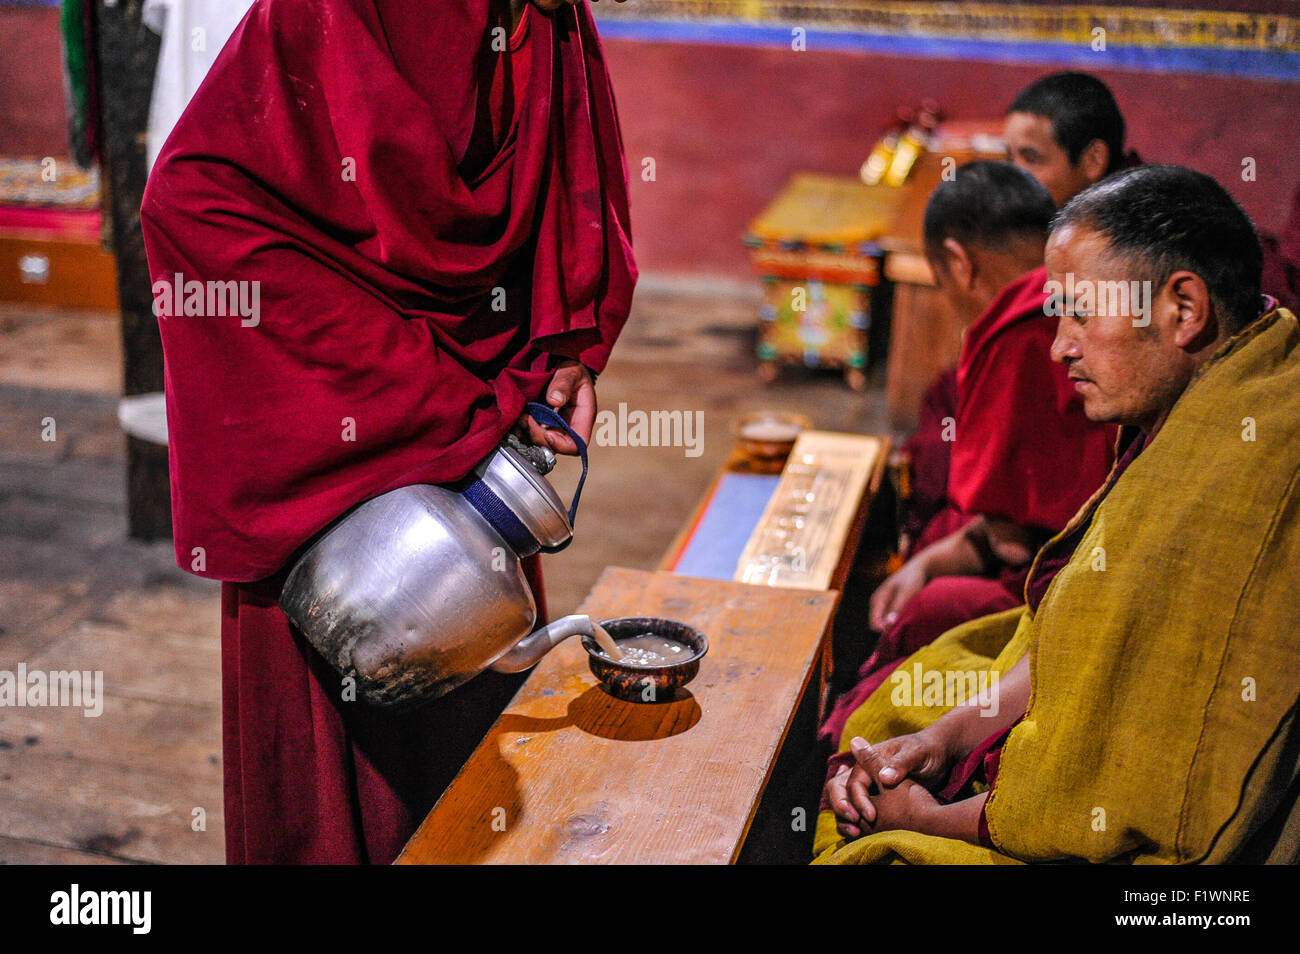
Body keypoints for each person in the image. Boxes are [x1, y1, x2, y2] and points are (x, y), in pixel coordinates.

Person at [139, 0, 636, 864]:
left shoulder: (550, 19)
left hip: (472, 470)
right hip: (334, 479)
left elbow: (573, 194)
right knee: (339, 795)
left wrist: (566, 349)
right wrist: (432, 395)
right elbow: (194, 206)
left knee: (474, 779)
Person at [817, 165, 1300, 864]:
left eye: (1081, 312)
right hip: (1046, 772)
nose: (1059, 346)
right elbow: (1083, 645)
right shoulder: (1229, 378)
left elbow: (1127, 799)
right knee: (903, 708)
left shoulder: (1244, 474)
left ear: (1184, 310)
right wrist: (943, 740)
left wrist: (927, 820)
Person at [820, 162, 1115, 746]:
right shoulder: (1069, 302)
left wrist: (937, 558)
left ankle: (840, 738)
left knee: (930, 610)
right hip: (1065, 553)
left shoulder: (1020, 328)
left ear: (958, 262)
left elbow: (1011, 530)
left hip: (1062, 583)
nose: (1063, 351)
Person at [1003, 71, 1131, 209]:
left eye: (1031, 159)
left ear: (1093, 160)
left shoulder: (1135, 223)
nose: (1011, 181)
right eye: (1010, 159)